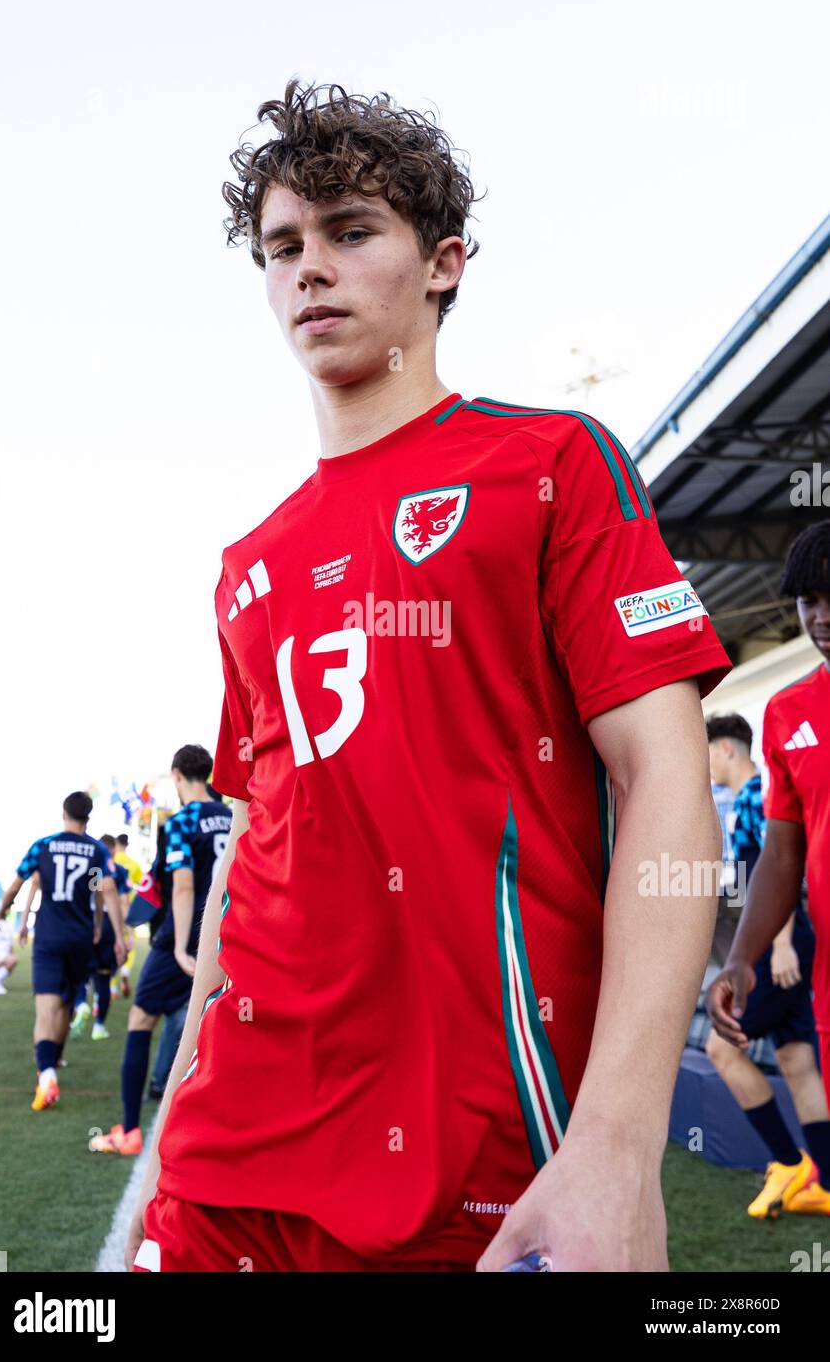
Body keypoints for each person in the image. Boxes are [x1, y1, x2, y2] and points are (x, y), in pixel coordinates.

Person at [127, 77, 732, 1274]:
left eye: (351, 233)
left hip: (470, 1160)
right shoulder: (246, 566)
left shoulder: (548, 462)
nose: (310, 269)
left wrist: (617, 1142)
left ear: (443, 264)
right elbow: (258, 852)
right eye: (282, 246)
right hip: (230, 1155)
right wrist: (166, 1132)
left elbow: (661, 776)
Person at [709, 520, 830, 1219]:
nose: (820, 616)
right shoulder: (786, 712)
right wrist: (744, 960)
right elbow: (782, 855)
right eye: (807, 600)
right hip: (825, 971)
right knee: (799, 1063)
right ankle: (798, 1167)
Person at [90, 746, 231, 1154]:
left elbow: (184, 887)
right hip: (232, 939)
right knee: (216, 1033)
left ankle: (130, 1132)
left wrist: (187, 949)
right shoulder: (234, 818)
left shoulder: (182, 821)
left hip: (184, 943)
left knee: (139, 1021)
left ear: (177, 775)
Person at [0, 791, 125, 1110]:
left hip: (50, 936)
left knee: (46, 1008)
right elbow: (100, 892)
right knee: (67, 1001)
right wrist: (105, 929)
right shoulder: (96, 850)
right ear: (88, 818)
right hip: (80, 937)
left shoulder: (44, 845)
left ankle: (47, 1074)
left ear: (64, 813)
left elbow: (17, 885)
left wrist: (1, 912)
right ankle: (56, 1058)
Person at [70, 834, 130, 1040]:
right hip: (107, 924)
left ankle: (80, 1004)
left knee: (80, 974)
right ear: (112, 850)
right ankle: (99, 1026)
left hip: (86, 923)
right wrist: (124, 933)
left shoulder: (91, 865)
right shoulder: (119, 871)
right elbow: (123, 903)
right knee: (103, 978)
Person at [113, 833, 141, 998]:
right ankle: (125, 971)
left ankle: (111, 987)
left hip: (112, 910)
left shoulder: (110, 862)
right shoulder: (134, 865)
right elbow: (143, 885)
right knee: (130, 944)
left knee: (112, 945)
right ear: (127, 845)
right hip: (128, 910)